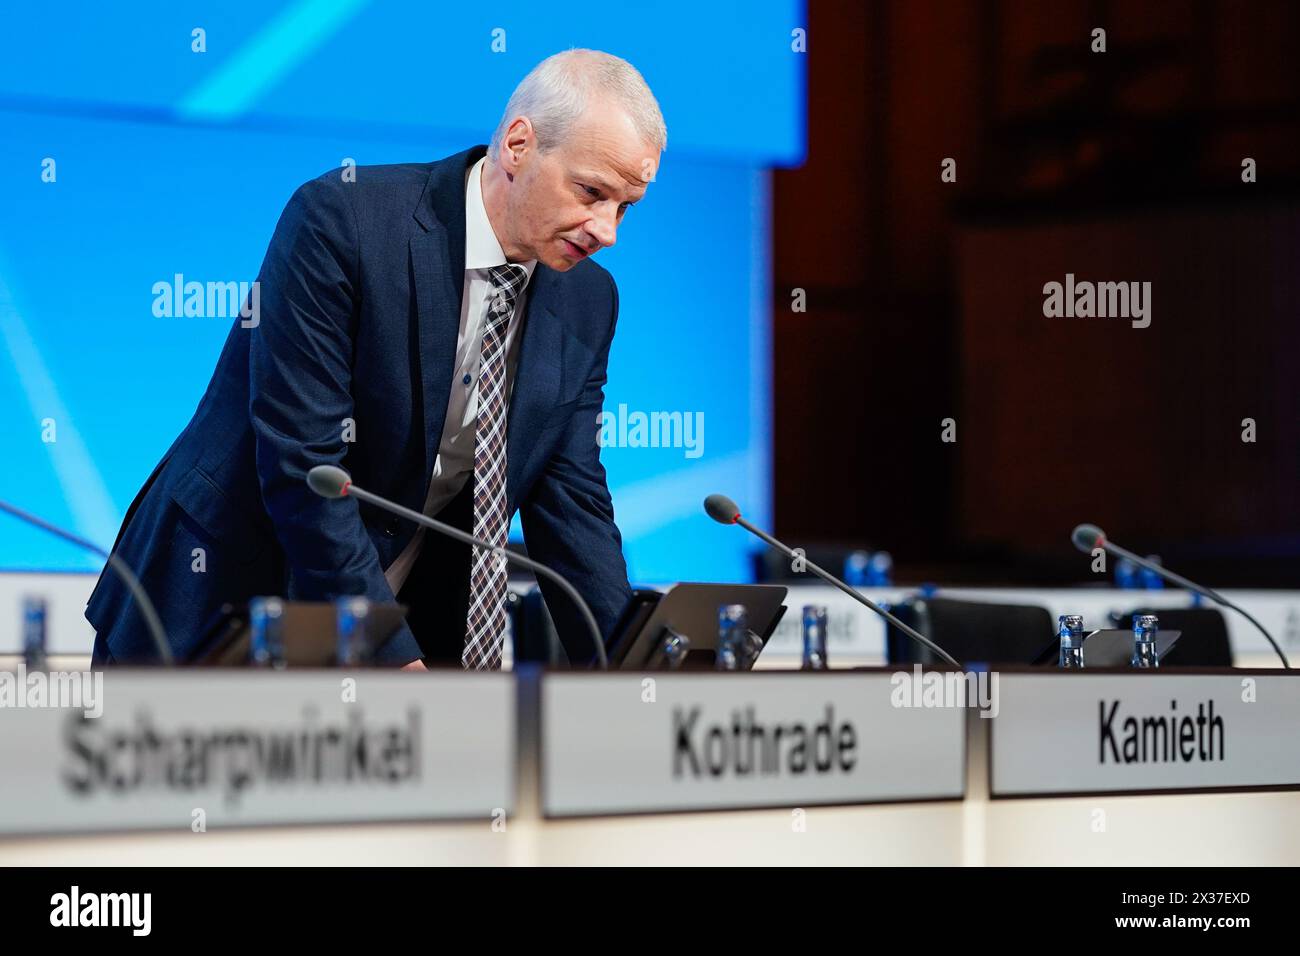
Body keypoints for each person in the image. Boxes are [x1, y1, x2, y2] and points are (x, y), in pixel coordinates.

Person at [86, 49, 665, 669]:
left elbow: (570, 498)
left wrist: (631, 670)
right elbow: (304, 464)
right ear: (519, 145)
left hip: (398, 624)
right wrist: (386, 657)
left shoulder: (588, 300)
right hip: (220, 607)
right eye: (592, 193)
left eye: (624, 206)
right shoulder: (344, 221)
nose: (608, 231)